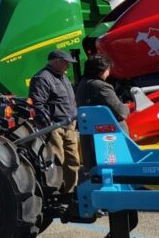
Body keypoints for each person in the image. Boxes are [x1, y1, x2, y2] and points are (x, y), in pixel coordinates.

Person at [29, 49, 81, 193]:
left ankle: (71, 191)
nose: (68, 66)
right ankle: (56, 193)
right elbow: (37, 104)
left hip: (69, 124)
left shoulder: (62, 77)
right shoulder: (42, 78)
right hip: (54, 127)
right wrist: (49, 126)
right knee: (57, 161)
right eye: (66, 63)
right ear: (56, 61)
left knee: (73, 161)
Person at [75, 54, 130, 126]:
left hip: (88, 128)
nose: (109, 73)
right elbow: (120, 111)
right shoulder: (101, 86)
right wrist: (127, 108)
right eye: (108, 69)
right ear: (101, 72)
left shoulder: (83, 82)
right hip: (108, 132)